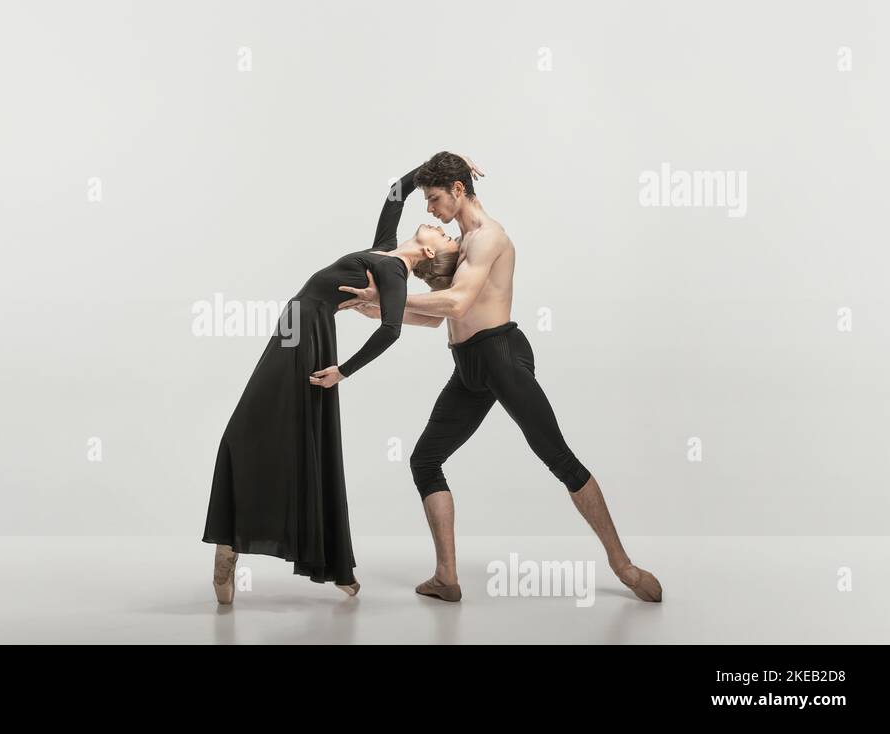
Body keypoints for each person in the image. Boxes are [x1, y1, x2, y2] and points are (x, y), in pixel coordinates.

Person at [339, 152, 663, 604]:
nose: (429, 210)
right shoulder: (458, 242)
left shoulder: (488, 238)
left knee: (559, 459)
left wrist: (390, 298)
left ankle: (623, 565)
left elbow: (455, 303)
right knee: (425, 461)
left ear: (457, 190)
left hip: (501, 356)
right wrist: (377, 309)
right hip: (468, 364)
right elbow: (438, 320)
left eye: (433, 199)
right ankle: (446, 578)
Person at [201, 166, 458, 604]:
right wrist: (439, 164)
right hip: (297, 329)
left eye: (447, 236)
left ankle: (240, 546)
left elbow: (391, 329)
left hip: (306, 336)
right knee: (273, 436)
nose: (440, 224)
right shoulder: (385, 251)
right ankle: (320, 560)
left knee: (253, 435)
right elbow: (396, 193)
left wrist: (343, 370)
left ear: (432, 255)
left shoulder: (394, 274)